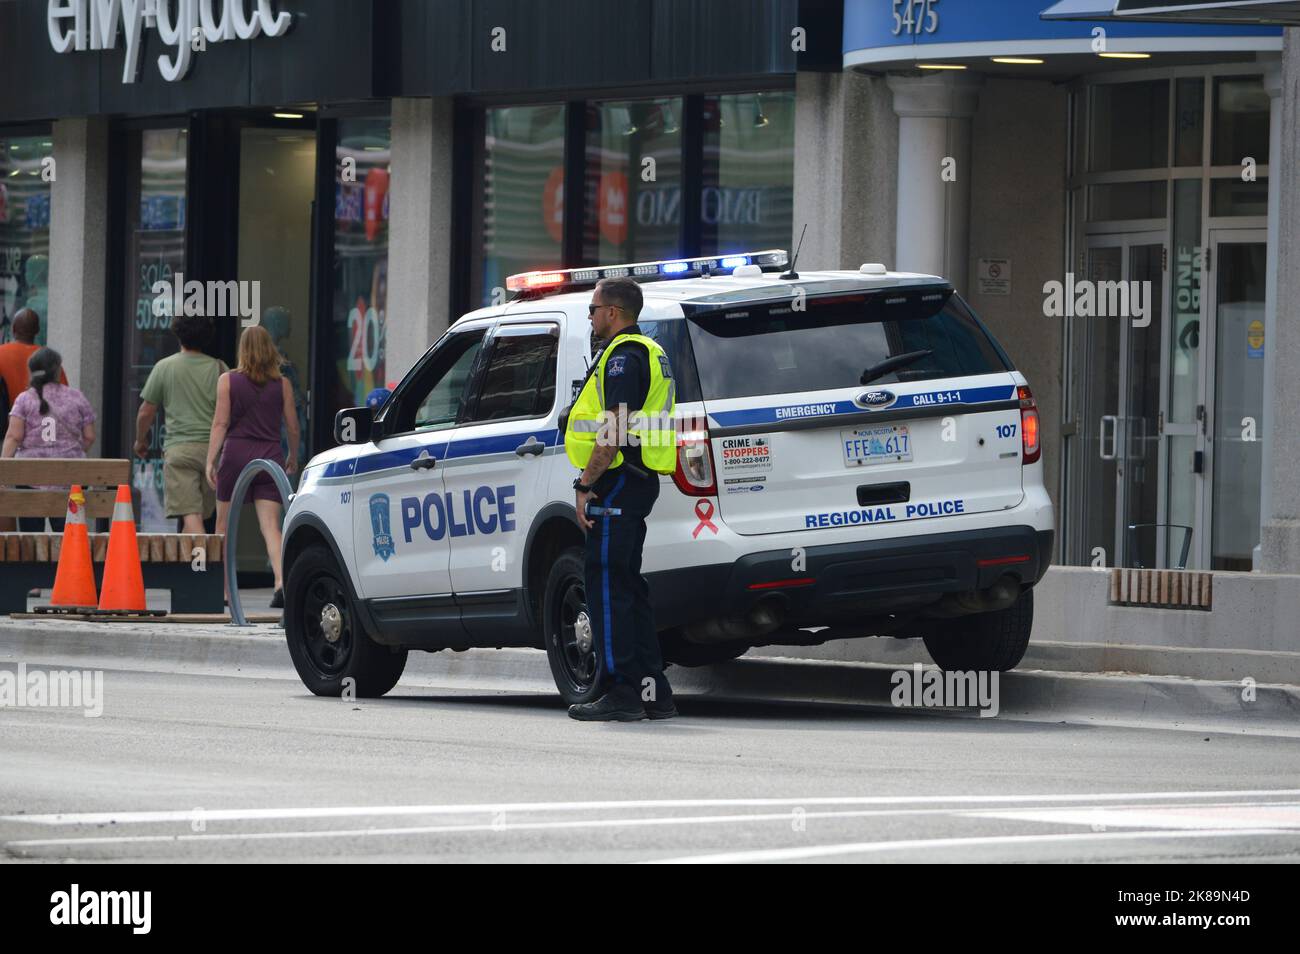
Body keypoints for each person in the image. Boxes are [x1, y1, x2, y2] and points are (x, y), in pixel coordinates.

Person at [564, 277, 678, 722]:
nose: (590, 317)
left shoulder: (623, 357)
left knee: (607, 584)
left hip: (617, 481)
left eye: (593, 309)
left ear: (613, 312)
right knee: (629, 585)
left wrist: (585, 484)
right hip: (637, 479)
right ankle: (654, 691)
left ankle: (622, 691)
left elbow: (612, 427)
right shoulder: (652, 352)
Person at [205, 325, 299, 608]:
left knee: (223, 525)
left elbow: (221, 423)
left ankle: (222, 590)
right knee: (271, 526)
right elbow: (292, 426)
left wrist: (211, 458)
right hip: (270, 455)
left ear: (242, 350)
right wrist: (292, 454)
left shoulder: (227, 381)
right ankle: (282, 581)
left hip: (236, 453)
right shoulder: (282, 384)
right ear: (270, 349)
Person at [134, 315, 226, 533]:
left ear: (178, 335)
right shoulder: (220, 369)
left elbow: (146, 411)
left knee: (191, 516)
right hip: (213, 453)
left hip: (180, 451)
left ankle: (203, 565)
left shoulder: (164, 367)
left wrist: (140, 440)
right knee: (195, 517)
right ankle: (190, 566)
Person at [1, 347, 95, 532]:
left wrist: (5, 470)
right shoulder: (76, 397)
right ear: (58, 370)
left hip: (31, 479)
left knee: (32, 536)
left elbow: (14, 436)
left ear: (32, 371)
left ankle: (35, 560)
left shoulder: (24, 399)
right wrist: (72, 450)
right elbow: (90, 436)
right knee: (67, 535)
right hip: (70, 479)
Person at [0, 309, 66, 420]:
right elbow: (63, 398)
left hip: (8, 428)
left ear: (13, 328)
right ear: (38, 330)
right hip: (42, 426)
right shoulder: (50, 359)